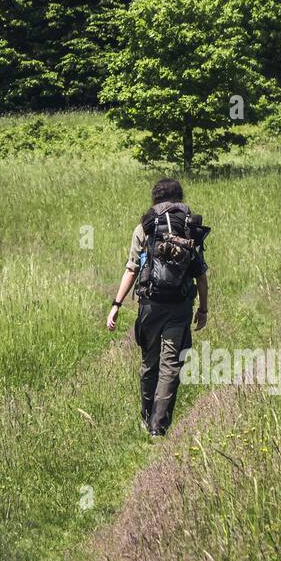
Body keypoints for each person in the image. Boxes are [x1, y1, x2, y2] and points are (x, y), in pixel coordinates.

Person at [106, 177, 208, 437]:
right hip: (180, 306)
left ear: (155, 199)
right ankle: (158, 428)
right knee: (171, 366)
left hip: (150, 306)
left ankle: (145, 414)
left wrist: (116, 304)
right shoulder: (188, 226)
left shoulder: (145, 227)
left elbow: (132, 269)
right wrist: (203, 308)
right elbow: (201, 274)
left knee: (150, 363)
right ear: (179, 198)